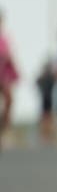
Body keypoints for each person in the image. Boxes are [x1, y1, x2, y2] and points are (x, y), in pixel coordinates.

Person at [0, 11, 20, 151]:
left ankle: (2, 128)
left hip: (2, 76)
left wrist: (15, 73)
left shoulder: (4, 39)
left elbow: (9, 57)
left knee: (9, 100)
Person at [36, 59, 57, 143]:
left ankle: (48, 137)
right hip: (44, 100)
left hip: (49, 100)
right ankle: (44, 137)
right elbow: (37, 83)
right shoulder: (43, 78)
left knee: (49, 118)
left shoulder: (51, 77)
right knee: (45, 118)